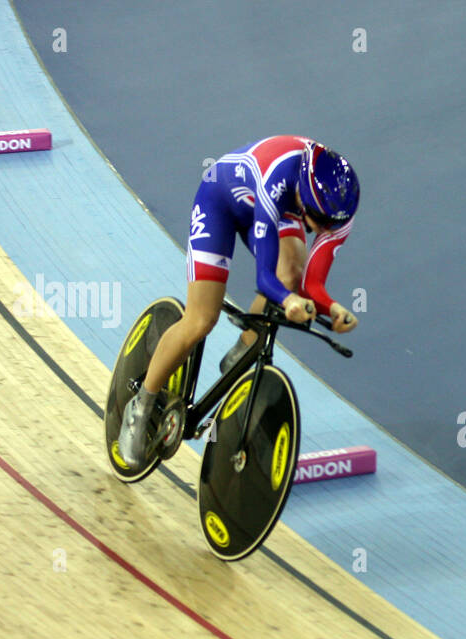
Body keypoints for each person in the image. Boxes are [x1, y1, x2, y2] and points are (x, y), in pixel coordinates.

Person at [118, 135, 360, 467]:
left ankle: (242, 348)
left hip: (277, 208)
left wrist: (331, 307)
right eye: (319, 219)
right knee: (202, 319)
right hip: (221, 201)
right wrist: (288, 300)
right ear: (304, 192)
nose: (322, 228)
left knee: (293, 272)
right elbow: (264, 279)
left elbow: (312, 284)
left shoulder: (336, 211)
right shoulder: (278, 177)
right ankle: (141, 405)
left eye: (330, 224)